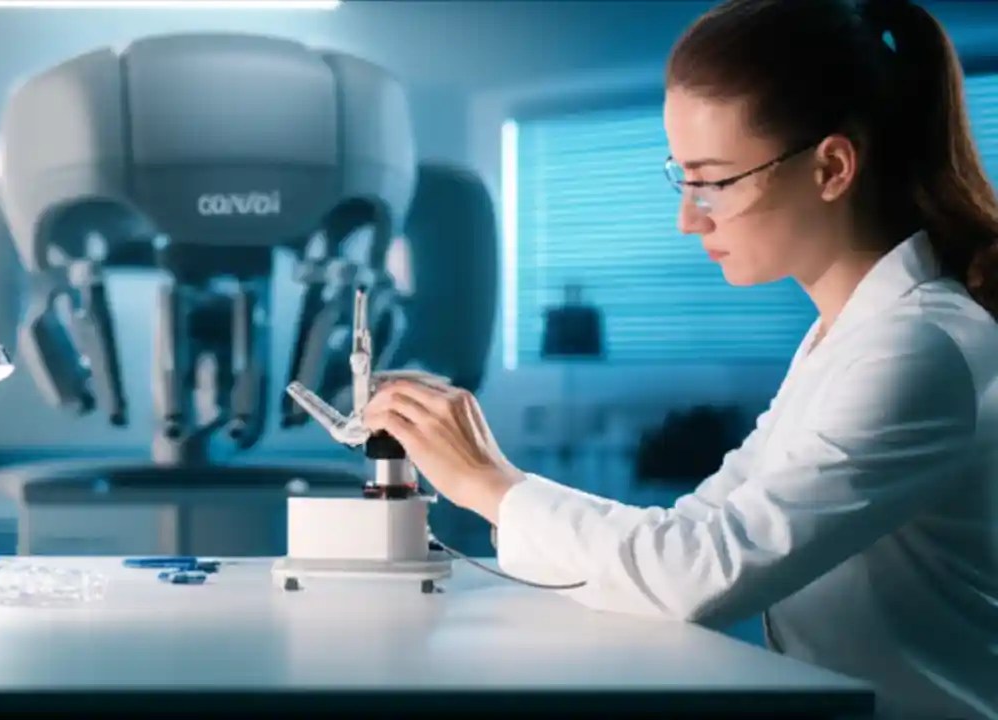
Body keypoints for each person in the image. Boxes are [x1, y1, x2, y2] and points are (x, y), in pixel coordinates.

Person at [362, 0, 998, 718]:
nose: (688, 217)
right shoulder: (847, 335)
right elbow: (697, 527)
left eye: (714, 181)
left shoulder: (918, 348)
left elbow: (703, 572)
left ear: (831, 167)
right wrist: (498, 487)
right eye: (682, 178)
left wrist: (488, 483)